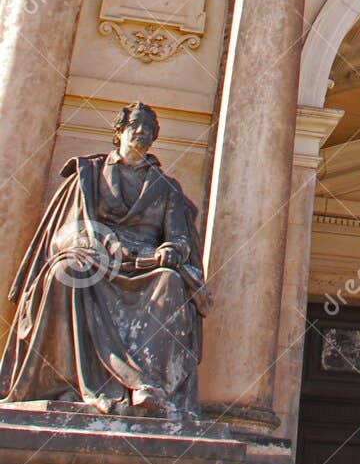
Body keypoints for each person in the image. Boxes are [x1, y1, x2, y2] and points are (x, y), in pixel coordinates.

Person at [0, 102, 211, 419]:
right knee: (63, 271)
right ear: (120, 131)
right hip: (98, 258)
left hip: (147, 265)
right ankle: (57, 382)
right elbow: (67, 230)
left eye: (148, 129)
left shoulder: (166, 188)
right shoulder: (90, 174)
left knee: (171, 281)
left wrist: (172, 250)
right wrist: (90, 243)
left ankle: (149, 386)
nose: (142, 132)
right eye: (135, 126)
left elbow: (179, 237)